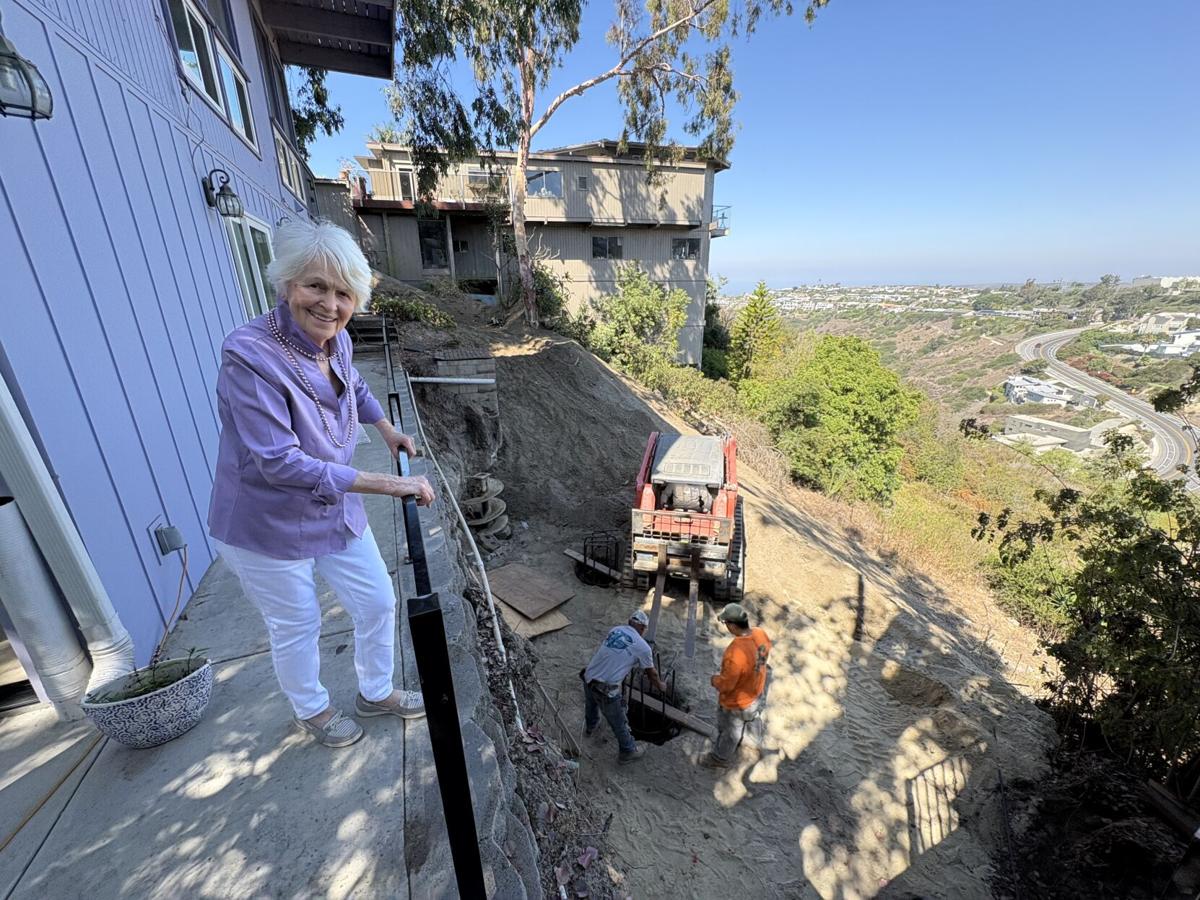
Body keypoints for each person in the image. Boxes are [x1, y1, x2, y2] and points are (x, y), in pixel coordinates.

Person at [208, 219, 437, 749]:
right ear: (287, 283)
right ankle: (312, 709)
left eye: (343, 293)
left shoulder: (337, 341)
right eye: (315, 286)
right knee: (297, 623)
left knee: (378, 601)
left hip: (333, 506)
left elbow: (355, 387)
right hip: (267, 519)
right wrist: (389, 484)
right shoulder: (248, 355)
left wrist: (386, 428)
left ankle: (375, 691)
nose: (329, 304)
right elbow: (278, 462)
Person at [581, 610, 668, 764]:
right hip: (606, 689)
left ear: (629, 622)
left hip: (589, 675)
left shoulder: (615, 630)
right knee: (619, 721)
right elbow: (652, 674)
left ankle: (591, 726)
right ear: (642, 628)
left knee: (591, 704)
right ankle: (628, 751)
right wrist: (661, 686)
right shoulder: (643, 647)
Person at [701, 603, 772, 768]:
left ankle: (719, 758)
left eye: (726, 623)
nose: (726, 627)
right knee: (753, 717)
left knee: (730, 731)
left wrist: (715, 680)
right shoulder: (760, 633)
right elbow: (764, 657)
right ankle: (754, 742)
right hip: (756, 691)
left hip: (736, 703)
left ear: (732, 625)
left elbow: (727, 685)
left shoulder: (735, 651)